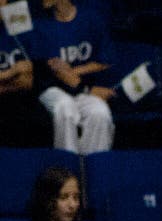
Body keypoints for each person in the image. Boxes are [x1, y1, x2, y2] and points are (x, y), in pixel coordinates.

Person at [34, 0, 115, 155]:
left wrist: (72, 71)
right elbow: (56, 72)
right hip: (53, 89)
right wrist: (75, 80)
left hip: (82, 89)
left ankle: (92, 169)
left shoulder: (91, 18)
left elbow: (105, 62)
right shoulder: (41, 26)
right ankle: (67, 169)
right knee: (65, 108)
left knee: (100, 112)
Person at [0, 0, 51, 146]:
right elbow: (20, 74)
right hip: (9, 91)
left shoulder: (16, 17)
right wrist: (11, 72)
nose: (2, 5)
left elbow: (28, 80)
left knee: (38, 119)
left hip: (21, 98)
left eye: (4, 1)